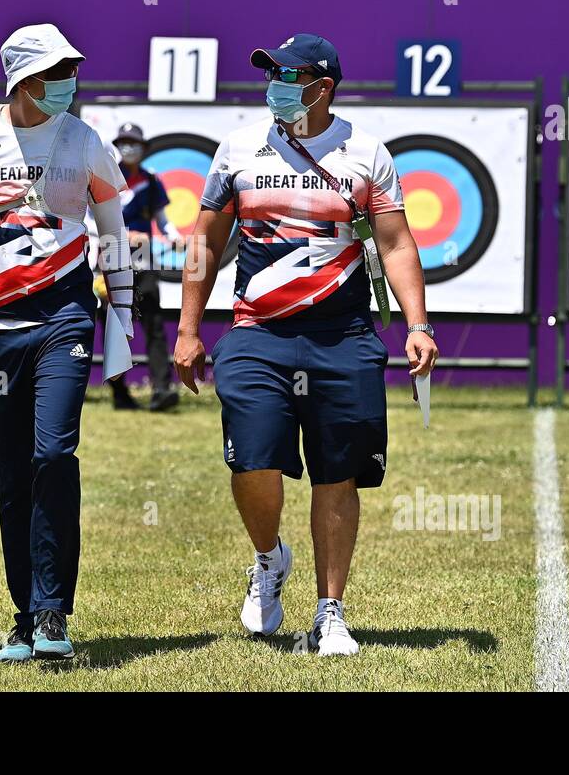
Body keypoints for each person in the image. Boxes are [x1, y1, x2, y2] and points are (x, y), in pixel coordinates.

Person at [173, 34, 438, 656]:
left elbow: (397, 244)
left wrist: (417, 323)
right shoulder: (238, 147)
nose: (274, 88)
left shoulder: (366, 152)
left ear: (322, 89)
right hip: (257, 335)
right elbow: (205, 242)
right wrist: (187, 329)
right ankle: (268, 559)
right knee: (252, 459)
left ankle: (330, 612)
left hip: (342, 338)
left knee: (337, 472)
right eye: (271, 76)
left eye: (287, 78)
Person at [0, 23, 134, 663]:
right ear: (22, 80)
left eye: (72, 70)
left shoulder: (85, 140)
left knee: (53, 456)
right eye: (55, 73)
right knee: (13, 471)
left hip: (66, 321)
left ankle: (52, 612)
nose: (68, 82)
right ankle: (23, 615)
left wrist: (119, 317)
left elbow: (114, 233)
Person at [106, 122, 183, 411]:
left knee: (153, 324)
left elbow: (162, 220)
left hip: (144, 261)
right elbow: (90, 221)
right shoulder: (106, 178)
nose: (129, 147)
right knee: (115, 328)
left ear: (144, 148)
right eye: (123, 142)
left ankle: (162, 390)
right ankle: (119, 393)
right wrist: (124, 236)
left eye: (134, 142)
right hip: (111, 259)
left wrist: (174, 237)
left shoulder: (150, 180)